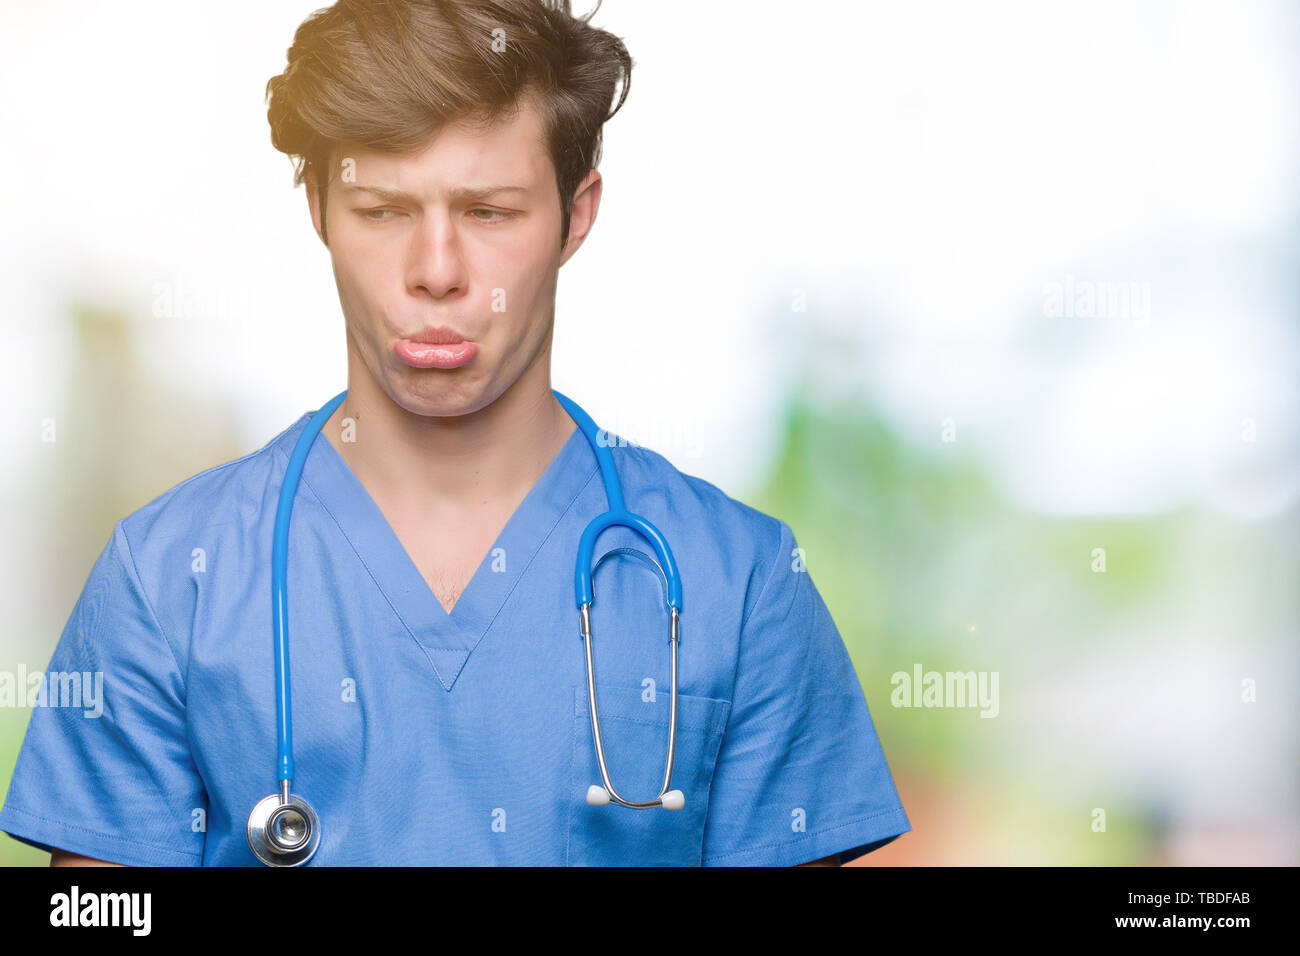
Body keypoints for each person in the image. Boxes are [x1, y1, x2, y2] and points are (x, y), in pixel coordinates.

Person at [0, 0, 910, 867]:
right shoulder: (169, 582)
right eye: (384, 211)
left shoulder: (742, 585)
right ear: (317, 208)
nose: (435, 272)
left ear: (576, 215)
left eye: (489, 213)